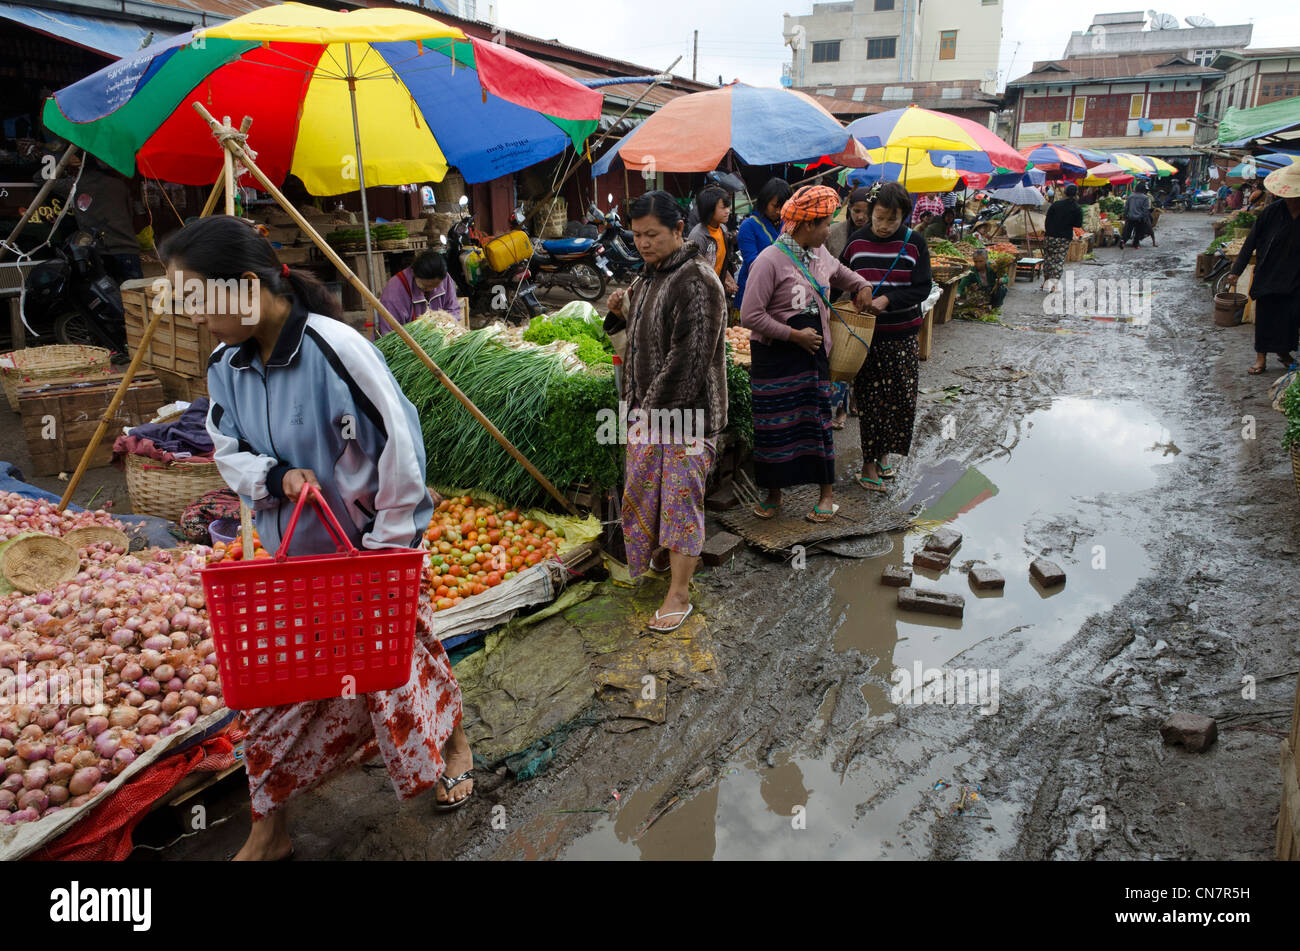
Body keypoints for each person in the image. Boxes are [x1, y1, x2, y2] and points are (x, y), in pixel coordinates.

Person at [162, 216, 472, 860]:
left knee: (406, 664)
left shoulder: (337, 348)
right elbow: (226, 449)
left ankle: (453, 744)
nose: (193, 318)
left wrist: (389, 552)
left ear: (246, 286)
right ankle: (270, 829)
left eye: (196, 299)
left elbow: (401, 450)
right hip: (290, 560)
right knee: (273, 692)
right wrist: (273, 477)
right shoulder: (225, 366)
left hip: (369, 550)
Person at [604, 191, 727, 633]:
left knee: (678, 502)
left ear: (678, 230)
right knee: (643, 493)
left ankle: (679, 594)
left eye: (651, 234)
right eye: (636, 235)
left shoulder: (696, 281)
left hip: (686, 418)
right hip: (649, 414)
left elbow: (688, 363)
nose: (642, 243)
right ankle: (660, 562)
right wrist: (620, 313)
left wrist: (646, 412)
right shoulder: (649, 277)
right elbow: (639, 343)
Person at [739, 185, 872, 523]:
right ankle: (774, 495)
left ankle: (826, 496)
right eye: (826, 223)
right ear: (807, 225)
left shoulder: (819, 255)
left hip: (813, 359)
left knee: (816, 424)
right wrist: (793, 334)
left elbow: (842, 273)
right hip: (776, 359)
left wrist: (862, 285)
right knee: (774, 428)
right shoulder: (769, 261)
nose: (830, 230)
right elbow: (750, 315)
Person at [844, 182, 933, 492]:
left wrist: (888, 300)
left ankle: (883, 455)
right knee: (869, 400)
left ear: (904, 217)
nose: (882, 226)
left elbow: (922, 287)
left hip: (903, 336)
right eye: (878, 218)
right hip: (866, 337)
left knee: (898, 401)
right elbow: (841, 278)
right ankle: (868, 464)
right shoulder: (855, 243)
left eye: (890, 220)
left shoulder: (915, 244)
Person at [1225, 163, 1300, 376]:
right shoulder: (1270, 213)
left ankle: (1284, 352)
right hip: (1269, 273)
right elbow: (1251, 243)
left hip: (1295, 275)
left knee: (1291, 316)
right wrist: (1236, 271)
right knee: (1266, 316)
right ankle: (1261, 358)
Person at [735, 178, 792, 311]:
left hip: (780, 291)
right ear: (765, 201)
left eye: (782, 207)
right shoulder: (748, 226)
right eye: (774, 206)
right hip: (754, 288)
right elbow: (751, 262)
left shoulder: (787, 224)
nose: (778, 211)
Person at [377, 250, 459, 336]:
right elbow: (390, 333)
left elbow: (453, 310)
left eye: (435, 286)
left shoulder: (444, 278)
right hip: (407, 342)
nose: (430, 289)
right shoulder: (394, 291)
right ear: (413, 272)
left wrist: (446, 327)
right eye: (425, 286)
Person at [687, 184, 739, 297]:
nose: (728, 211)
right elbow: (691, 272)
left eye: (728, 207)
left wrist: (727, 278)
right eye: (723, 207)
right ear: (709, 209)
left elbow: (720, 262)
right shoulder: (698, 236)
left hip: (715, 291)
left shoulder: (723, 230)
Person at [1042, 183, 1083, 291]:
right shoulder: (1077, 208)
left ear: (1065, 193)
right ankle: (1054, 286)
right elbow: (1078, 224)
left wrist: (1048, 230)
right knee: (1058, 261)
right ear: (1076, 194)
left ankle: (1045, 283)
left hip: (1050, 236)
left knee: (1048, 260)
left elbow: (1047, 219)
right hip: (1064, 238)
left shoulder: (1056, 204)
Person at [826, 186, 872, 262]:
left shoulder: (878, 235)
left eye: (866, 212)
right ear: (850, 208)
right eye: (857, 211)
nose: (860, 217)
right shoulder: (831, 232)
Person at [956, 248, 1008, 313]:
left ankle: (996, 307)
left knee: (1002, 288)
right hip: (981, 292)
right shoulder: (972, 271)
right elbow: (962, 285)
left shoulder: (993, 267)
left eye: (981, 261)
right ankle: (982, 307)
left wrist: (1002, 280)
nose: (978, 264)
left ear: (986, 260)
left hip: (993, 291)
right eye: (975, 261)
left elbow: (1006, 278)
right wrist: (957, 293)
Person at [1121, 182, 1156, 249]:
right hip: (1139, 218)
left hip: (1130, 217)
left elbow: (1126, 208)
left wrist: (1125, 215)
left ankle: (1123, 241)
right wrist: (1145, 218)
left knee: (1128, 231)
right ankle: (1135, 244)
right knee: (1138, 232)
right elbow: (1145, 210)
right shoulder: (1145, 198)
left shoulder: (1130, 196)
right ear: (1143, 189)